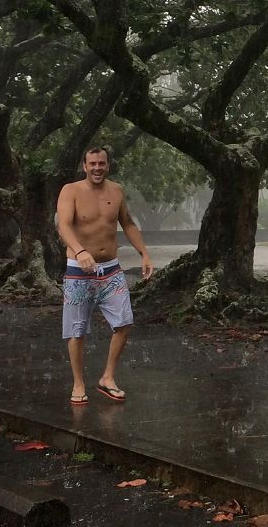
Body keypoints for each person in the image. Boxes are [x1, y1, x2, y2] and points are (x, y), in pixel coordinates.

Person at [56, 146, 154, 406]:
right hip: (79, 272)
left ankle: (107, 377)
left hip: (111, 269)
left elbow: (128, 223)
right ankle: (78, 383)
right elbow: (63, 225)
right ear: (84, 165)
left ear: (108, 165)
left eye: (101, 164)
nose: (97, 168)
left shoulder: (116, 191)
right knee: (77, 330)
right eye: (92, 164)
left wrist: (144, 253)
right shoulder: (71, 191)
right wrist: (79, 251)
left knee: (124, 322)